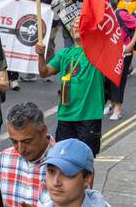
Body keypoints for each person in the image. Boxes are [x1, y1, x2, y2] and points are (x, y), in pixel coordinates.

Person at [37, 20, 105, 158]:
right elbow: (44, 72)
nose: (75, 26)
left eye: (80, 23)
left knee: (85, 162)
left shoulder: (97, 51)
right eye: (73, 24)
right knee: (62, 160)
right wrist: (40, 55)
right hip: (66, 117)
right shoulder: (64, 53)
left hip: (88, 117)